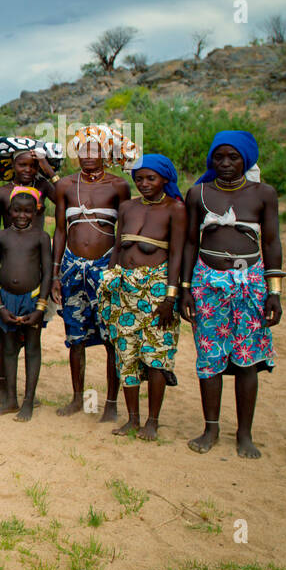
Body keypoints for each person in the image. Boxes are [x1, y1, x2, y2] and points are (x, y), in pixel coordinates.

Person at [180, 131, 282, 458]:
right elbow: (190, 243)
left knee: (247, 359)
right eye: (218, 157)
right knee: (209, 357)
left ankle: (245, 434)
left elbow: (271, 243)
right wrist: (184, 289)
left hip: (250, 283)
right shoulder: (198, 194)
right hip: (206, 283)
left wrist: (274, 293)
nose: (224, 163)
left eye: (233, 157)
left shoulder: (263, 194)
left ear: (246, 159)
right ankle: (211, 428)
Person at [97, 155, 184, 441]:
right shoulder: (127, 208)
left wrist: (171, 298)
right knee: (126, 355)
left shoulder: (176, 209)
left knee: (156, 356)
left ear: (165, 179)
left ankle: (152, 421)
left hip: (158, 292)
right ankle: (132, 419)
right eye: (139, 179)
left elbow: (177, 255)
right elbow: (116, 249)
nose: (144, 184)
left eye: (151, 178)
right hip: (124, 291)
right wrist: (109, 284)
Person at [51, 125, 133, 422]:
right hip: (73, 267)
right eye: (82, 150)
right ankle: (78, 398)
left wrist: (116, 268)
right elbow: (60, 230)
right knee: (76, 336)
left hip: (106, 268)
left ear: (106, 154)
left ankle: (110, 404)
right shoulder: (66, 186)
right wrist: (55, 273)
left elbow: (124, 232)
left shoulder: (119, 186)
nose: (87, 155)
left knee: (111, 336)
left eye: (94, 150)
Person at [0, 139, 55, 405]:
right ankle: (8, 396)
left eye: (32, 164)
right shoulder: (2, 231)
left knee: (32, 345)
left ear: (37, 211)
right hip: (7, 293)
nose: (22, 215)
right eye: (22, 163)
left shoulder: (41, 235)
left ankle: (28, 400)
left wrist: (47, 169)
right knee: (6, 343)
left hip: (33, 293)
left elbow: (64, 194)